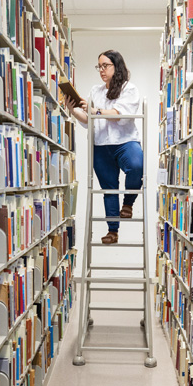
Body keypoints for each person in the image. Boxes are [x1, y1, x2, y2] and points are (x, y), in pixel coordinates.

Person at [65, 50, 143, 245]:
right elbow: (88, 119)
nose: (101, 70)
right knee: (109, 189)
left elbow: (118, 114)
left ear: (117, 66)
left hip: (125, 141)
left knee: (136, 167)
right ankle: (112, 231)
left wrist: (95, 110)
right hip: (101, 145)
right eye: (99, 66)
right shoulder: (95, 91)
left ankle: (128, 203)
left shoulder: (129, 89)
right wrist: (73, 110)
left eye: (105, 65)